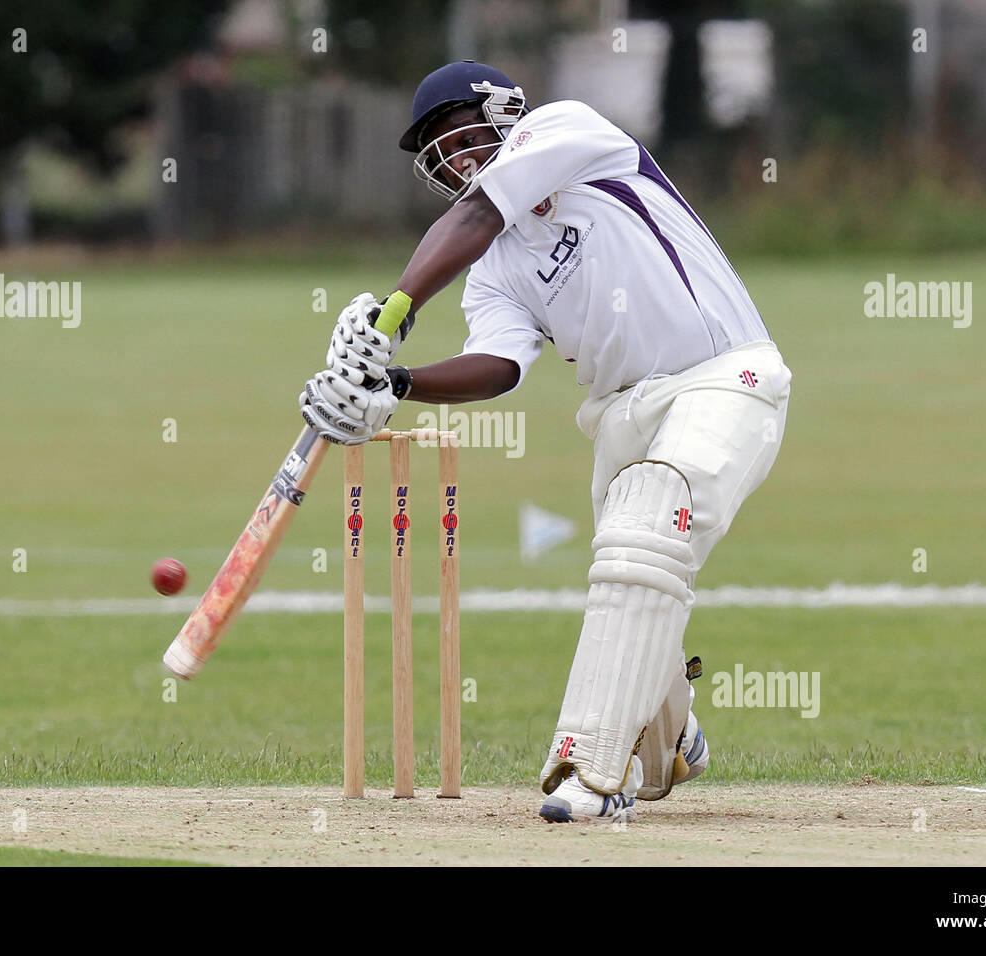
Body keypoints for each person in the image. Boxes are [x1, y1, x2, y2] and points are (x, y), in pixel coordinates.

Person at [300, 60, 792, 822]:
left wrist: (391, 314)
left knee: (645, 528)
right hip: (621, 417)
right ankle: (670, 738)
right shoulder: (493, 267)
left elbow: (474, 216)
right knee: (632, 571)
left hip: (726, 378)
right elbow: (498, 368)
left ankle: (589, 772)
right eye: (439, 151)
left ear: (502, 112)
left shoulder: (569, 131)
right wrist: (393, 384)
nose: (456, 159)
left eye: (458, 133)